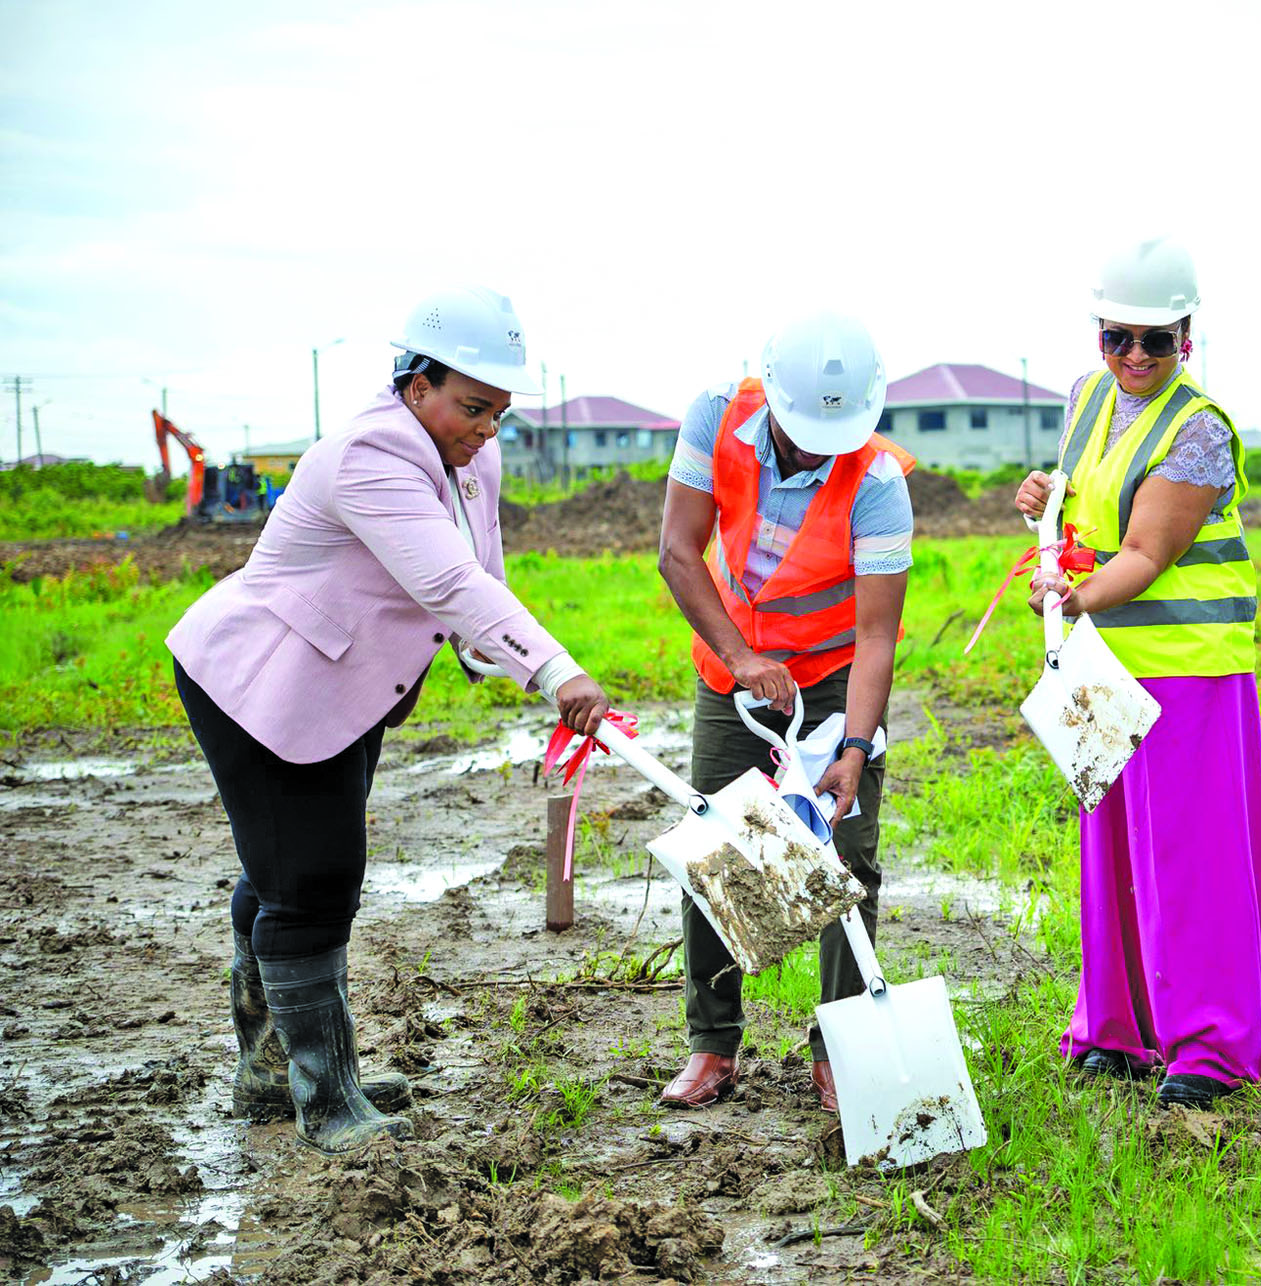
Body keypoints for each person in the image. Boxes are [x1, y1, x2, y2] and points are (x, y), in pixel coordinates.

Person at [167, 286, 611, 1156]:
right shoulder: (370, 452)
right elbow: (446, 582)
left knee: (282, 868)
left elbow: (482, 577)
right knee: (314, 877)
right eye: (472, 407)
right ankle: (326, 1101)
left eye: (499, 413)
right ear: (416, 383)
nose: (487, 428)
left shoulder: (471, 459)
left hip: (333, 687)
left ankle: (269, 1070)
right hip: (260, 683)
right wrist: (557, 671)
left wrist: (506, 660)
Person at [1015, 235, 1261, 1109]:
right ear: (1098, 334)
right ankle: (1118, 1030)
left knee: (1190, 861)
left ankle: (1210, 1048)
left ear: (1186, 337)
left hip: (1187, 674)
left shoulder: (1199, 429)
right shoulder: (1091, 397)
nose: (1134, 357)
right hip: (1103, 662)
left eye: (1154, 341)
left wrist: (1075, 595)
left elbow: (1150, 550)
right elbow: (1088, 497)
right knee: (1113, 853)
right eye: (1117, 337)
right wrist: (1045, 498)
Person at [655, 311, 914, 1113]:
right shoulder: (715, 415)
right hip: (734, 664)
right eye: (802, 433)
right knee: (718, 845)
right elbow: (678, 550)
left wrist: (857, 749)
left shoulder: (877, 482)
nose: (813, 452)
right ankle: (713, 1045)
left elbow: (877, 636)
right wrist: (740, 659)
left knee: (847, 853)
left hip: (835, 677)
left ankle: (838, 1045)